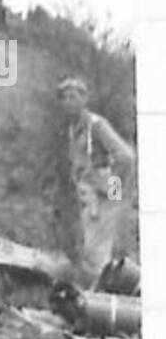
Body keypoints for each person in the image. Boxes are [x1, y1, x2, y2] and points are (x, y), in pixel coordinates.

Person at [53, 75, 136, 287]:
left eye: (73, 97)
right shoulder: (74, 129)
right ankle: (95, 297)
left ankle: (98, 304)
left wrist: (113, 190)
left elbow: (125, 158)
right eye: (64, 98)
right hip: (88, 197)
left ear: (84, 100)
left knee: (95, 255)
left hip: (103, 198)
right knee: (89, 252)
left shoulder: (96, 126)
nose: (68, 102)